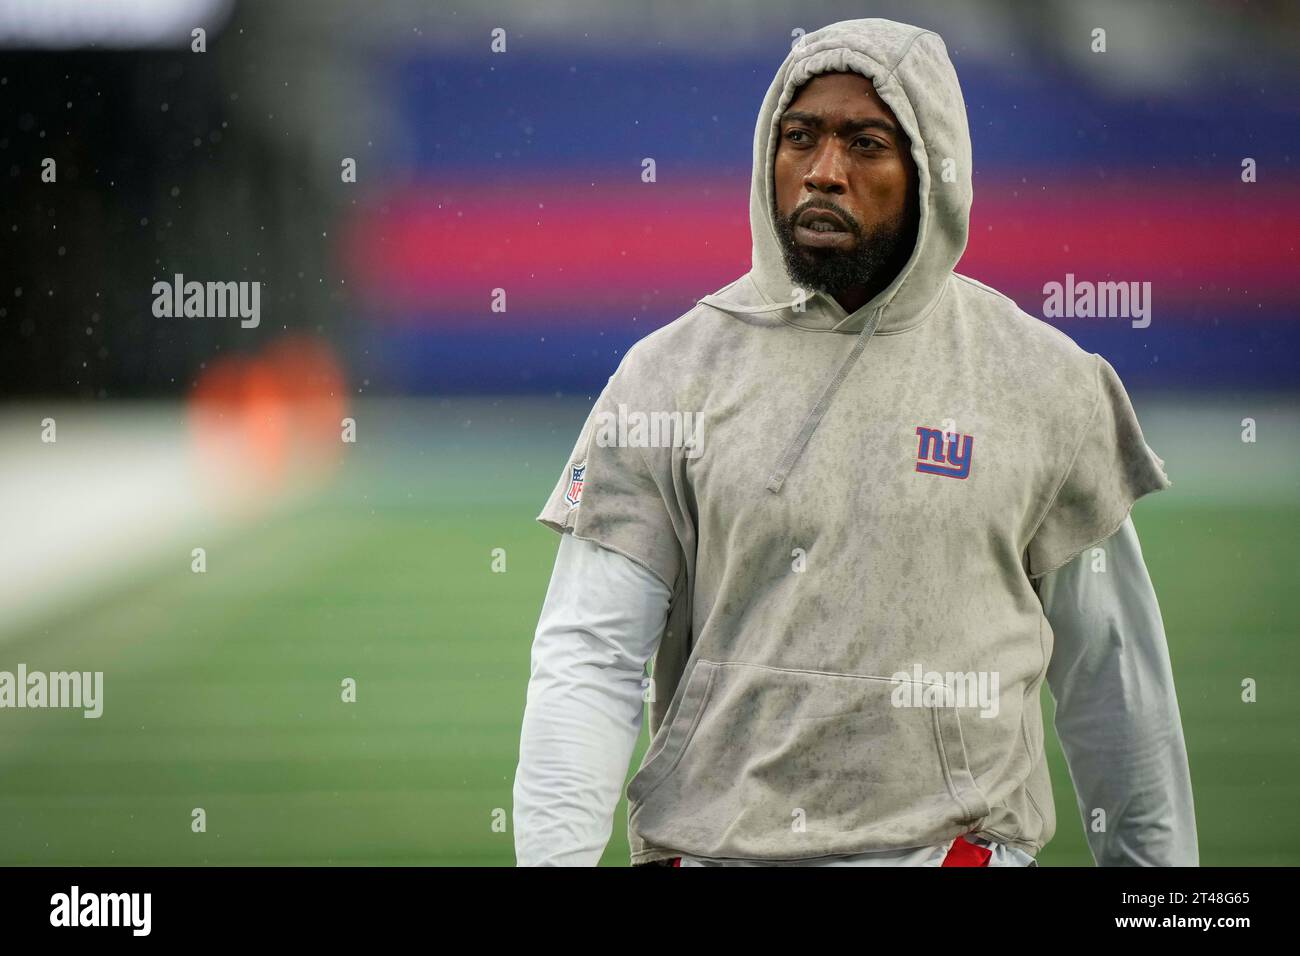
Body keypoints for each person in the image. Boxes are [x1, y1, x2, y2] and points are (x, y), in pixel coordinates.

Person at [513, 17, 1198, 867]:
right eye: (800, 137)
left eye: (865, 143)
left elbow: (1115, 685)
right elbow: (591, 657)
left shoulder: (1042, 382)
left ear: (931, 167)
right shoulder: (665, 378)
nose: (823, 171)